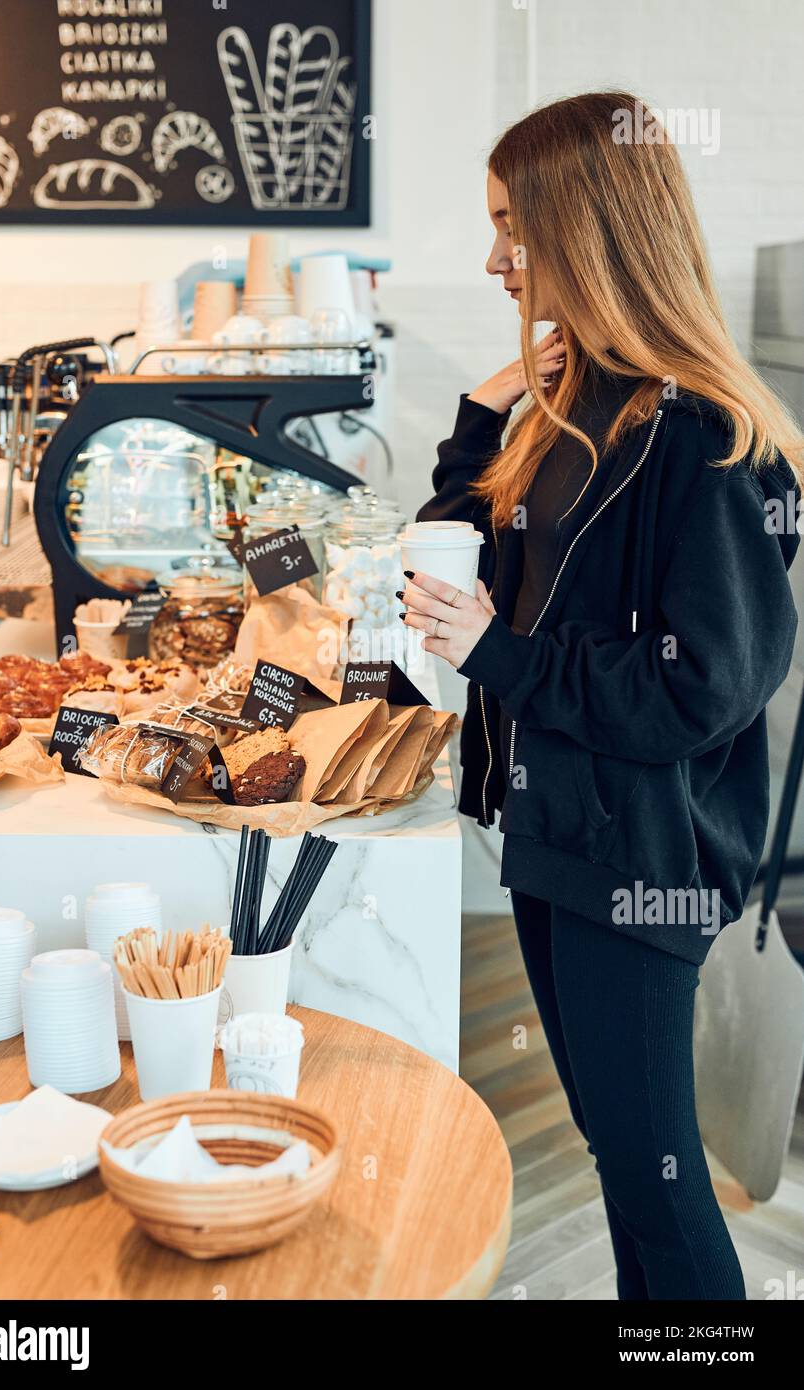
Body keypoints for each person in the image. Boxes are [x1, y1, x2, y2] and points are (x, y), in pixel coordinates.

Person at [406, 91, 804, 1300]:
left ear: (586, 230)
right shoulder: (572, 411)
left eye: (509, 232)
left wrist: (501, 657)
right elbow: (448, 550)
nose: (492, 261)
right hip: (558, 837)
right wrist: (481, 417)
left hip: (641, 860)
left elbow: (706, 689)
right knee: (624, 1167)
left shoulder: (703, 439)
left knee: (662, 1190)